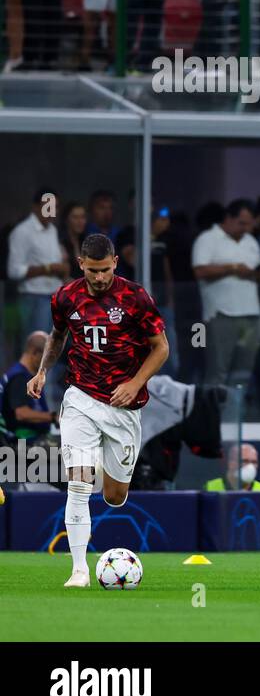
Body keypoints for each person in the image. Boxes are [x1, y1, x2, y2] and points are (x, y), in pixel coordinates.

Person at [28, 233, 169, 587]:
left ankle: (106, 467)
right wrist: (43, 371)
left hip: (124, 407)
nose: (100, 277)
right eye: (93, 270)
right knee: (79, 483)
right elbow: (58, 335)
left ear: (115, 263)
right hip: (81, 398)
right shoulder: (65, 297)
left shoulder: (135, 297)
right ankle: (78, 570)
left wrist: (135, 383)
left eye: (105, 269)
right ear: (81, 265)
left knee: (114, 495)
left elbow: (161, 347)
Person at [191, 199, 260, 388]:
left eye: (249, 224)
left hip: (250, 314)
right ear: (228, 218)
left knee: (243, 372)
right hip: (221, 314)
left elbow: (259, 270)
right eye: (241, 223)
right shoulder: (207, 239)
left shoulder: (251, 241)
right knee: (218, 371)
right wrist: (232, 268)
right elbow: (200, 271)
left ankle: (234, 416)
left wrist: (255, 273)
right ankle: (212, 417)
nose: (246, 228)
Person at [8, 189, 69, 338]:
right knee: (36, 349)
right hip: (34, 297)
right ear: (35, 207)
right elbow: (13, 271)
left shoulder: (52, 230)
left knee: (52, 349)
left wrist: (62, 267)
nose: (51, 210)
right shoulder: (22, 232)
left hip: (54, 297)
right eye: (47, 205)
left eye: (55, 206)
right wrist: (48, 268)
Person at [205, 442, 260, 548]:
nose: (251, 466)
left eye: (254, 462)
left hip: (255, 553)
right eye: (245, 461)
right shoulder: (210, 488)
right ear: (231, 463)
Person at [2, 331, 53, 440]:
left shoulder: (26, 374)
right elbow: (21, 413)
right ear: (35, 353)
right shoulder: (19, 377)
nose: (47, 363)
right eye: (45, 358)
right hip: (21, 441)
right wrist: (53, 417)